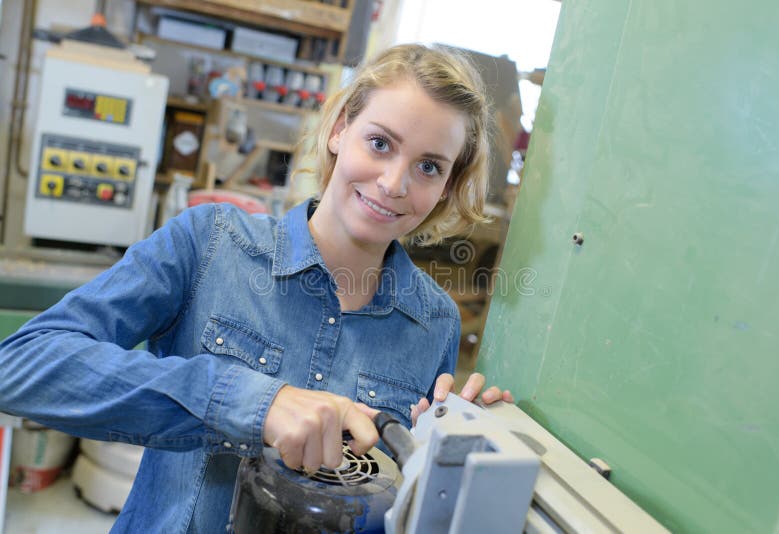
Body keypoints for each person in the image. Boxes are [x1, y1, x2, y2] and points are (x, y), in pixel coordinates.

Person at [0, 43, 513, 532]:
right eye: (380, 143)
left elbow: (404, 501)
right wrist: (253, 403)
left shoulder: (435, 323)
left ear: (448, 184)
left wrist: (457, 456)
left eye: (429, 166)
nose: (395, 182)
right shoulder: (210, 244)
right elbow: (23, 364)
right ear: (339, 129)